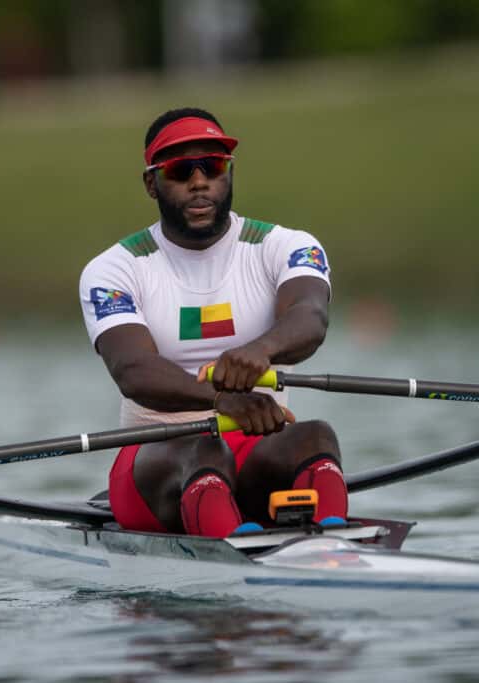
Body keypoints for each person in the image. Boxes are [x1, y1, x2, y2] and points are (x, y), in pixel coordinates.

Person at [79, 107, 347, 538]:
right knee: (204, 453)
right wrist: (220, 399)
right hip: (155, 459)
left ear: (230, 173)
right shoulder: (115, 269)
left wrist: (260, 351)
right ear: (152, 183)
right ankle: (232, 559)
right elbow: (132, 370)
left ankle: (338, 549)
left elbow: (310, 318)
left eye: (214, 166)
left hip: (258, 445)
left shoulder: (287, 246)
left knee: (316, 437)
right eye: (181, 170)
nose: (199, 180)